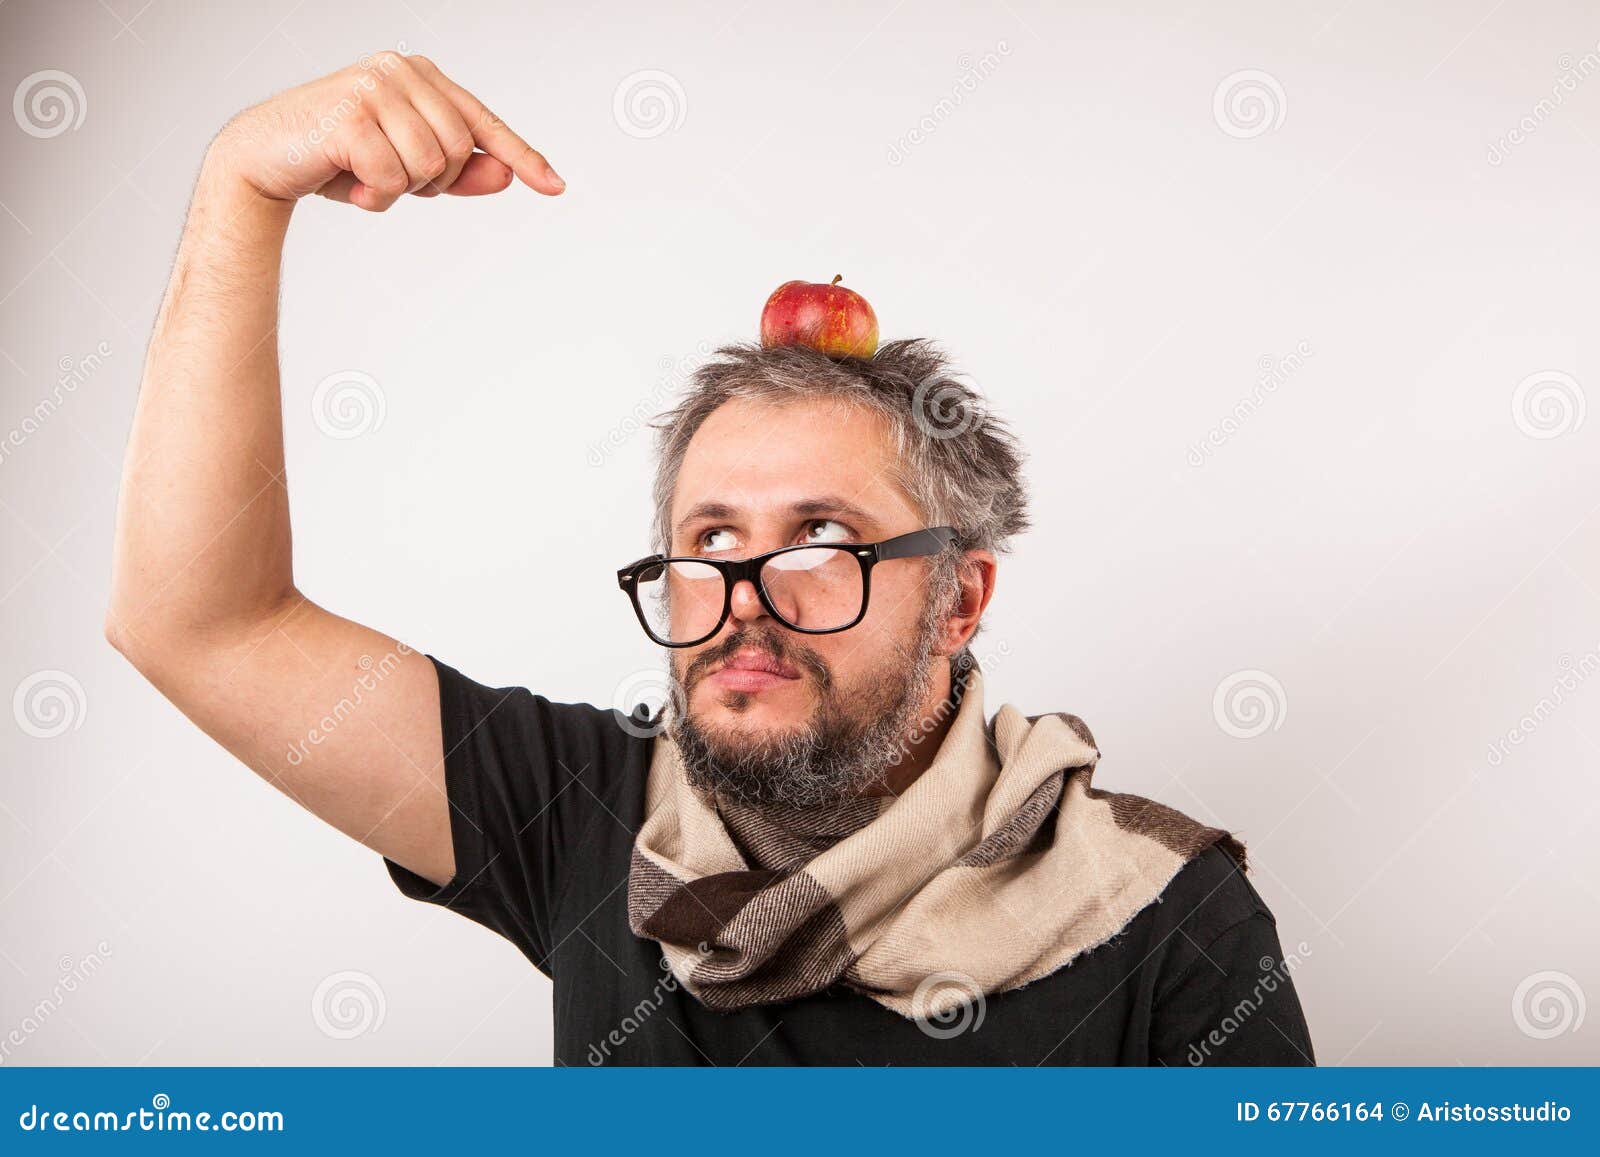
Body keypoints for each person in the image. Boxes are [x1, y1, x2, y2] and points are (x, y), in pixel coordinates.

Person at [106, 53, 1314, 1066]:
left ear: (961, 596)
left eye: (823, 537)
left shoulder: (1164, 913)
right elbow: (203, 624)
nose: (744, 601)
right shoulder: (589, 812)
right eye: (710, 540)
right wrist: (240, 194)